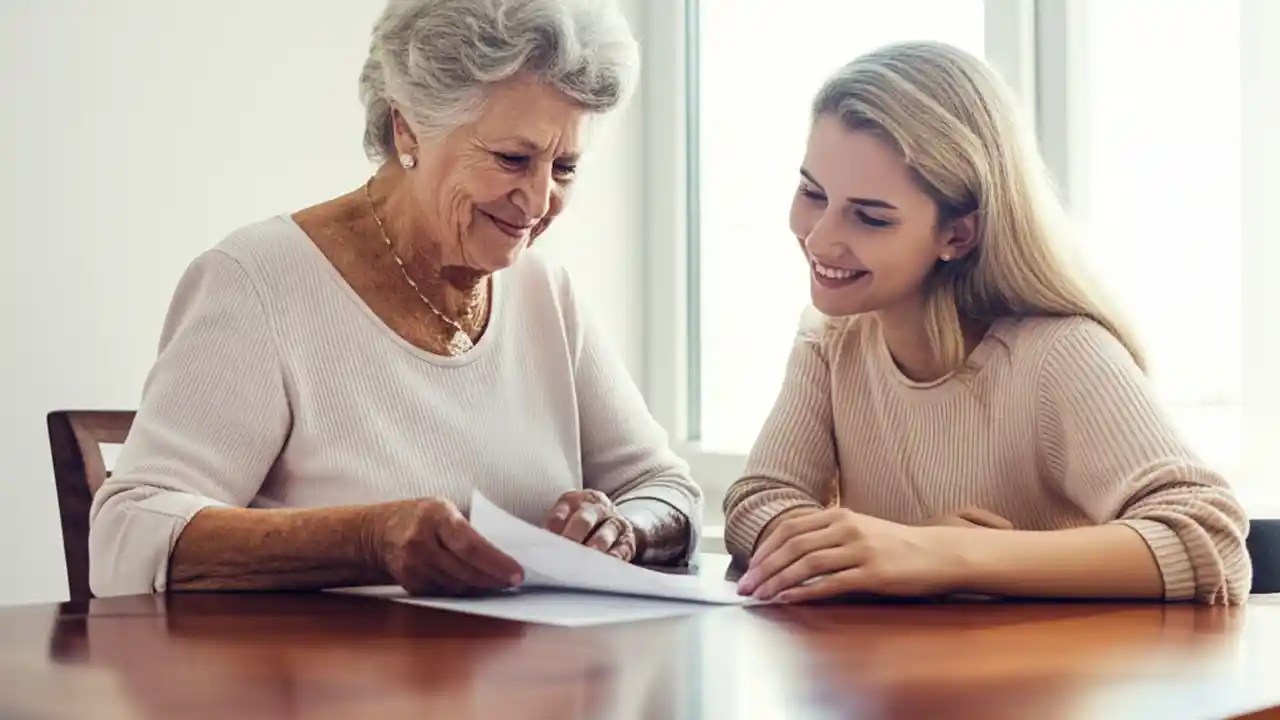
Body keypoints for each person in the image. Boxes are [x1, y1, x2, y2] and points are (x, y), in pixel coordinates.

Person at [88, 0, 701, 598]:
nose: (539, 201)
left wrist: (624, 528)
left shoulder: (547, 294)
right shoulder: (259, 281)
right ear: (407, 127)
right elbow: (128, 534)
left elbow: (663, 487)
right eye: (513, 159)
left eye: (564, 167)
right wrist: (367, 539)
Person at [728, 41, 1250, 606]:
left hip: (1047, 683)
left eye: (871, 217)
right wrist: (879, 547)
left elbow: (1214, 543)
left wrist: (941, 555)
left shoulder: (1061, 352)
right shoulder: (831, 340)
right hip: (892, 683)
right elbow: (758, 500)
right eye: (812, 192)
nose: (819, 236)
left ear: (958, 235)